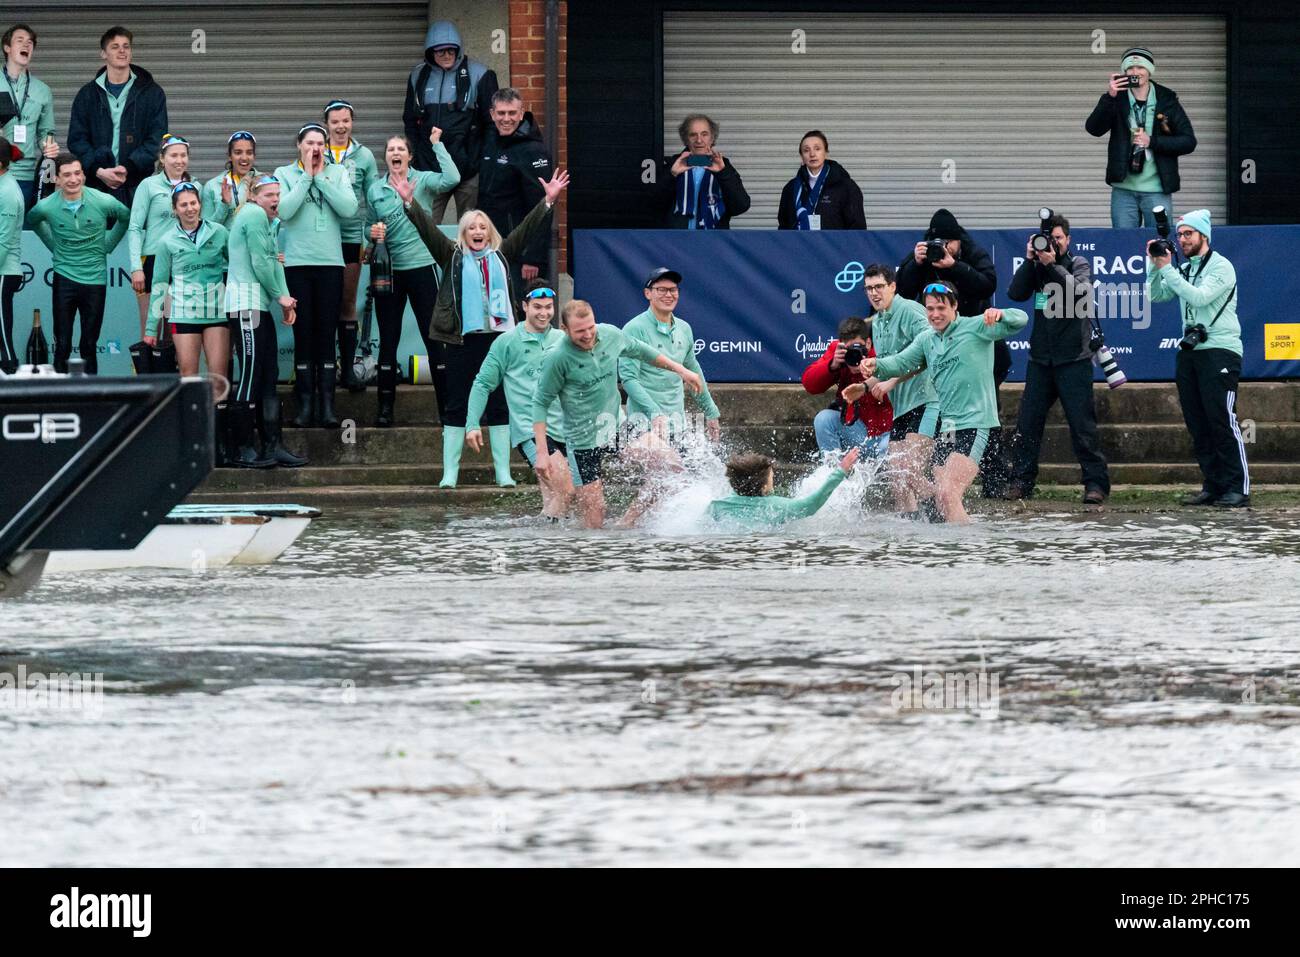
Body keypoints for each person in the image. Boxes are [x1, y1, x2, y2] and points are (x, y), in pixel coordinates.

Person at [404, 166, 569, 488]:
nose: (477, 232)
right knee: (456, 403)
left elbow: (525, 229)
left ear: (489, 232)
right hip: (461, 340)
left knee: (498, 404)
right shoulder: (451, 256)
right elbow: (427, 231)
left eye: (482, 227)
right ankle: (449, 473)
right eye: (470, 229)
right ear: (463, 235)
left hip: (499, 340)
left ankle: (502, 472)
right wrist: (411, 204)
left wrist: (547, 202)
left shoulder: (502, 255)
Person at [864, 283, 1028, 524]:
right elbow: (900, 363)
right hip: (948, 428)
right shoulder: (926, 339)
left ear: (955, 306)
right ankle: (951, 548)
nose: (935, 314)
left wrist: (1001, 313)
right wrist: (875, 365)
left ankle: (967, 556)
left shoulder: (976, 327)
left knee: (947, 494)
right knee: (939, 499)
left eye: (941, 307)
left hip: (976, 423)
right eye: (929, 309)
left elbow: (1021, 319)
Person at [531, 299, 703, 529]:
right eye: (580, 331)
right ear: (565, 330)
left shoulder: (610, 335)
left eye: (591, 327)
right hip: (582, 440)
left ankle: (627, 522)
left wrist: (682, 370)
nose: (588, 335)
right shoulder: (557, 358)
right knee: (595, 518)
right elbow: (540, 403)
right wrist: (542, 453)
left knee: (671, 464)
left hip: (613, 425)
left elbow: (644, 352)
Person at [896, 207, 1009, 497]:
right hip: (943, 350)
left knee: (986, 415)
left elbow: (988, 284)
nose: (944, 249)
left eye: (950, 243)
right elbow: (904, 291)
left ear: (959, 241)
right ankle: (944, 483)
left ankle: (994, 482)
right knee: (947, 415)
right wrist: (915, 264)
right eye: (939, 243)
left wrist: (953, 266)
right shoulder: (921, 258)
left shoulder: (973, 254)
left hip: (979, 347)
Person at [143, 181, 258, 466]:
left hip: (217, 313)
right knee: (189, 378)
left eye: (193, 203)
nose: (189, 208)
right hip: (183, 314)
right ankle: (191, 446)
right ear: (175, 210)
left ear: (200, 204)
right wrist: (150, 328)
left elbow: (238, 266)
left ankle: (219, 446)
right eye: (183, 204)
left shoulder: (219, 233)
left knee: (218, 379)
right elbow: (159, 284)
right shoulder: (167, 241)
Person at [1005, 212, 1110, 504]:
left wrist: (1054, 266)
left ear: (1068, 239)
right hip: (1041, 360)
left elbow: (1082, 294)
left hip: (1073, 359)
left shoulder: (1078, 263)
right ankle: (1021, 482)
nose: (1053, 243)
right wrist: (1030, 261)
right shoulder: (1036, 266)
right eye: (1049, 238)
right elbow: (1015, 294)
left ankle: (1095, 485)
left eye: (1059, 238)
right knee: (1027, 425)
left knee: (1082, 426)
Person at [1146, 209, 1248, 508]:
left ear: (1204, 235)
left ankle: (1237, 488)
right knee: (1197, 422)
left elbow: (1200, 297)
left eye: (1188, 233)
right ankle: (1213, 485)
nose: (1182, 239)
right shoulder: (1185, 268)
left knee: (1221, 419)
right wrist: (1155, 266)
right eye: (1179, 234)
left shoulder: (1221, 266)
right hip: (1190, 352)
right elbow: (1155, 296)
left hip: (1221, 350)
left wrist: (1167, 269)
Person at [364, 128, 459, 427]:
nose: (395, 154)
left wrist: (436, 144)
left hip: (423, 267)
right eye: (390, 150)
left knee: (435, 340)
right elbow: (368, 228)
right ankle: (385, 409)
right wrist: (372, 234)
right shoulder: (376, 190)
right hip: (389, 272)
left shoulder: (424, 180)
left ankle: (447, 411)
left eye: (400, 150)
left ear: (409, 156)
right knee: (388, 341)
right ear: (386, 157)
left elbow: (453, 178)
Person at [464, 280, 573, 517]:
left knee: (556, 497)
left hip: (564, 427)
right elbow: (482, 383)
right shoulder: (506, 341)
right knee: (566, 487)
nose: (544, 313)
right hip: (529, 430)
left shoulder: (562, 339)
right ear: (524, 306)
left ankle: (547, 544)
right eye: (537, 307)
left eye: (548, 307)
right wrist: (472, 424)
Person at [275, 122, 358, 429]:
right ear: (299, 145)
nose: (315, 149)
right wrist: (306, 178)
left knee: (326, 333)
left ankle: (327, 405)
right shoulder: (285, 174)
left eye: (320, 144)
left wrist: (321, 179)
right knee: (304, 333)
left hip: (330, 264)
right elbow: (284, 210)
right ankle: (305, 404)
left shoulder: (337, 173)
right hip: (297, 264)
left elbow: (349, 209)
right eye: (310, 143)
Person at [25, 152, 128, 374]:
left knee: (89, 345)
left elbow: (125, 216)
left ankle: (90, 401)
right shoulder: (47, 206)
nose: (73, 180)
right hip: (64, 279)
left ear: (83, 174)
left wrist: (108, 244)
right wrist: (53, 245)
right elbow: (32, 220)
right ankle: (59, 398)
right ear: (58, 179)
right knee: (62, 345)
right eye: (67, 175)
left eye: (78, 173)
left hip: (95, 280)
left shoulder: (102, 200)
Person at [224, 173, 302, 469]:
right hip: (245, 307)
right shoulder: (253, 214)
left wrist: (284, 298)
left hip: (258, 306)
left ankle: (273, 446)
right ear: (255, 196)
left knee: (269, 376)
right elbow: (259, 261)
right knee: (250, 378)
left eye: (278, 194)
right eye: (270, 194)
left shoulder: (269, 222)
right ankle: (241, 449)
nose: (276, 200)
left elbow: (273, 261)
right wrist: (279, 297)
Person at [1085, 46, 1196, 229]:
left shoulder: (1166, 99)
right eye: (1130, 68)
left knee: (1160, 244)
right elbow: (1094, 129)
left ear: (1150, 70)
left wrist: (1151, 141)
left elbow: (1188, 141)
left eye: (1141, 67)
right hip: (1123, 189)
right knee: (1124, 244)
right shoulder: (1117, 98)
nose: (1135, 72)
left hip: (1156, 189)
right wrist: (1109, 97)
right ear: (1124, 72)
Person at [860, 264, 939, 515]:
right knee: (898, 481)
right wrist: (862, 386)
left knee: (911, 473)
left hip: (927, 400)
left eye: (879, 287)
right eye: (869, 289)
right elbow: (886, 368)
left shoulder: (910, 310)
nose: (874, 293)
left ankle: (946, 503)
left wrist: (894, 381)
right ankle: (911, 540)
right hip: (901, 407)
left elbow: (931, 349)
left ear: (893, 287)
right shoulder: (877, 321)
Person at [402, 19, 497, 222]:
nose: (446, 55)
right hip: (431, 169)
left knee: (471, 230)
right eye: (440, 51)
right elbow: (410, 121)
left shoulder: (480, 74)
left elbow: (491, 123)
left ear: (458, 50)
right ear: (430, 52)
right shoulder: (418, 76)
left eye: (451, 51)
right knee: (426, 229)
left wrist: (481, 161)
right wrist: (417, 157)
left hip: (468, 170)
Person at [67, 26, 168, 207]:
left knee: (137, 234)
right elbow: (77, 140)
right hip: (95, 186)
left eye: (126, 46)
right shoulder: (87, 94)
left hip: (138, 185)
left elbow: (157, 139)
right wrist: (98, 170)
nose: (122, 51)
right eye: (115, 46)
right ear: (103, 54)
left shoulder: (152, 93)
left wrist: (128, 167)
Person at [619, 267, 720, 445]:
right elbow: (629, 379)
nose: (669, 295)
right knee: (671, 469)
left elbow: (693, 372)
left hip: (677, 426)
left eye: (673, 290)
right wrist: (655, 414)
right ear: (647, 293)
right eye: (661, 290)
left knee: (689, 471)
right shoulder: (633, 329)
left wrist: (711, 412)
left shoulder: (684, 328)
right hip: (644, 427)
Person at [322, 99, 379, 392]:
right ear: (326, 125)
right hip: (320, 238)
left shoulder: (365, 155)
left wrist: (370, 236)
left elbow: (373, 198)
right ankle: (324, 370)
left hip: (350, 237)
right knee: (323, 306)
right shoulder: (317, 149)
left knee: (346, 302)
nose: (341, 126)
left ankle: (348, 370)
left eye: (346, 121)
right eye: (335, 122)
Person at [476, 88, 553, 285]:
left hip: (521, 255)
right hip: (490, 245)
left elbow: (542, 207)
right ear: (492, 114)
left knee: (520, 310)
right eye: (501, 113)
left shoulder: (534, 151)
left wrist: (533, 257)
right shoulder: (490, 141)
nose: (506, 119)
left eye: (512, 113)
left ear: (521, 113)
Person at [127, 133, 191, 339]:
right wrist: (137, 267)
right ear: (162, 159)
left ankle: (174, 371)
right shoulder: (148, 185)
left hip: (183, 261)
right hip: (153, 259)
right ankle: (146, 372)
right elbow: (135, 227)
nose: (179, 160)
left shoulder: (195, 187)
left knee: (176, 329)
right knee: (149, 328)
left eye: (183, 155)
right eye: (174, 155)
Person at [801, 316, 891, 460]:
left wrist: (872, 365)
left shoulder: (882, 352)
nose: (854, 356)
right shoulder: (839, 354)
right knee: (823, 419)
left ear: (868, 343)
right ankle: (836, 474)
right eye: (850, 350)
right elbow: (809, 384)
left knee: (895, 445)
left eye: (858, 348)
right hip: (857, 432)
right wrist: (832, 365)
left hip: (885, 436)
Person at [709, 448, 860, 529]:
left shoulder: (717, 506)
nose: (773, 481)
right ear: (764, 486)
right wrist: (840, 471)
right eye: (772, 478)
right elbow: (812, 504)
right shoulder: (776, 507)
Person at [1, 23, 59, 211]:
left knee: (25, 232)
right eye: (20, 41)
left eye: (30, 43)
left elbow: (46, 132)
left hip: (27, 175)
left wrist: (48, 145)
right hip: (0, 171)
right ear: (7, 48)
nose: (27, 45)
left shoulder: (43, 90)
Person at [659, 113, 750, 229]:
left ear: (712, 138)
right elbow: (652, 205)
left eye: (704, 134)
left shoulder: (724, 166)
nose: (699, 140)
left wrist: (723, 174)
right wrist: (671, 175)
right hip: (676, 242)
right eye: (693, 135)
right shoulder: (673, 165)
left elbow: (741, 206)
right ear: (686, 139)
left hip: (714, 241)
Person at [776, 130, 865, 230]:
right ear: (802, 157)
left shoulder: (846, 187)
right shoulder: (790, 188)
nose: (812, 154)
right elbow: (783, 227)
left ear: (826, 153)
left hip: (833, 245)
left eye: (817, 149)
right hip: (798, 245)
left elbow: (858, 230)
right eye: (806, 150)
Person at [202, 130, 258, 227]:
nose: (244, 158)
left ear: (254, 156)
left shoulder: (265, 182)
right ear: (229, 156)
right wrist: (224, 204)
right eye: (238, 152)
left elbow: (273, 222)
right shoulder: (212, 186)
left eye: (249, 152)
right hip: (225, 242)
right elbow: (206, 229)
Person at [0, 136, 23, 372]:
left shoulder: (7, 192)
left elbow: (4, 241)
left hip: (4, 271)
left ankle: (11, 374)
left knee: (3, 335)